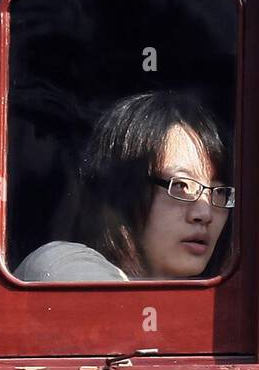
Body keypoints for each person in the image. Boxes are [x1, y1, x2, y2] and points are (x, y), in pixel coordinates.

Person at [14, 91, 233, 282]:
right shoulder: (63, 265)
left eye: (219, 192)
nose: (205, 213)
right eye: (181, 186)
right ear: (122, 191)